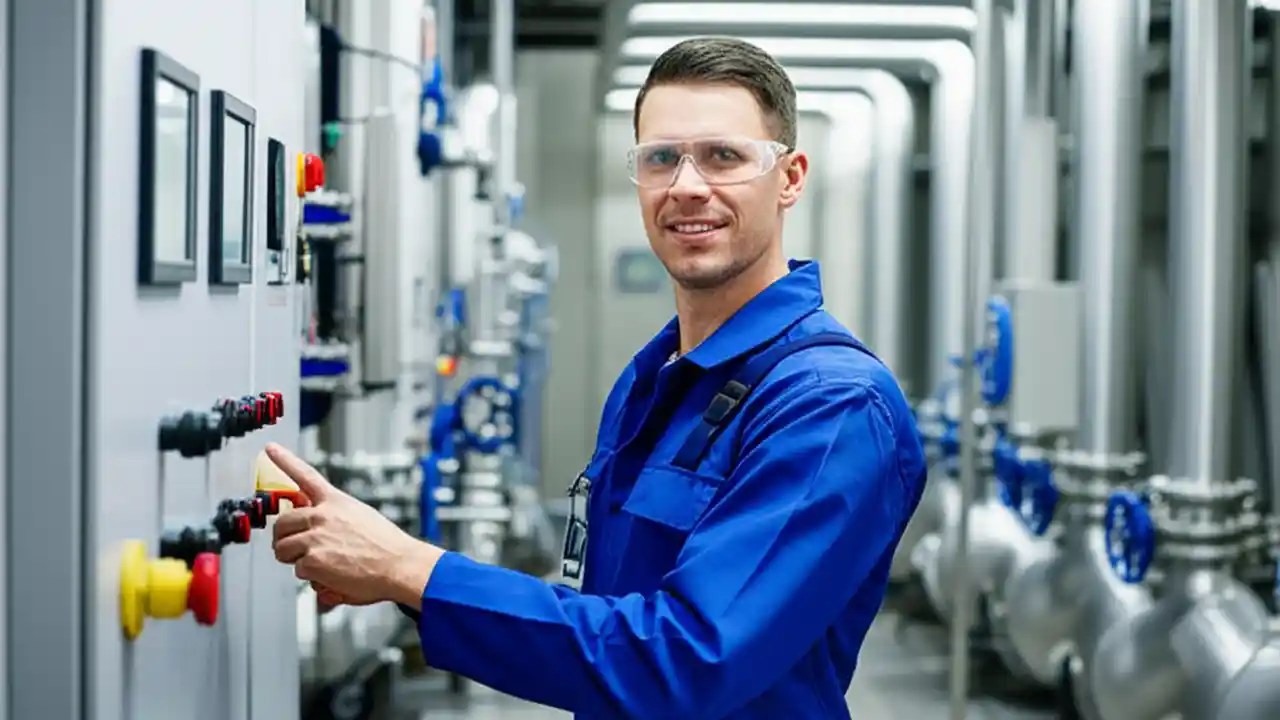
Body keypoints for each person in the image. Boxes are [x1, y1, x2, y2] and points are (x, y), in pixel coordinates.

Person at [269, 36, 927, 718]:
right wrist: (398, 580)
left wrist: (411, 568)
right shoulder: (659, 377)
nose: (687, 186)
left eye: (724, 157)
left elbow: (683, 659)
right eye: (662, 158)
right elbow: (609, 620)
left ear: (789, 178)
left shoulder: (829, 406)